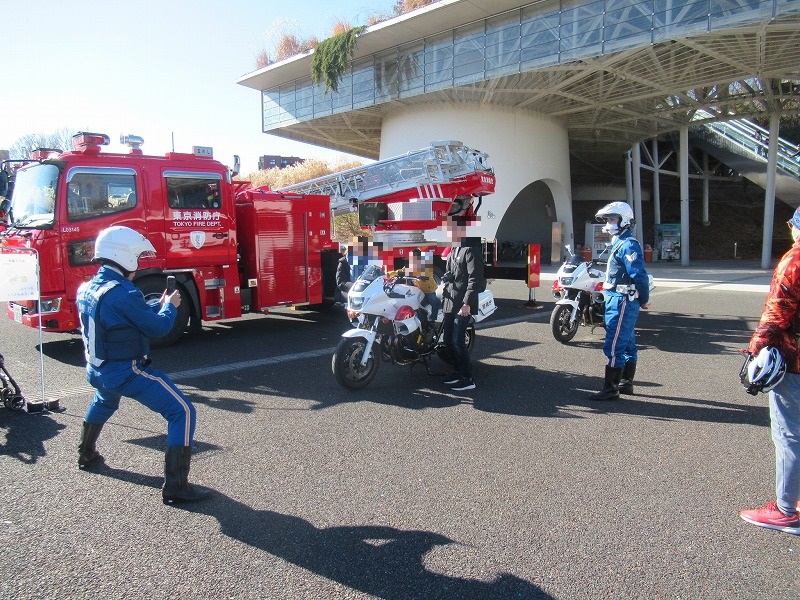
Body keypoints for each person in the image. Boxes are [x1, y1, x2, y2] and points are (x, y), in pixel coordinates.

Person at [76, 225, 210, 505]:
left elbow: (123, 318)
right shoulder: (123, 292)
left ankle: (86, 453)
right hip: (125, 371)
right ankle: (176, 486)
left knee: (104, 402)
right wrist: (170, 305)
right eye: (136, 258)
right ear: (123, 256)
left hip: (96, 370)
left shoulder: (88, 288)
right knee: (182, 411)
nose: (137, 265)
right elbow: (159, 328)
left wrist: (157, 305)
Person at [738, 208, 800, 533]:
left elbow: (777, 313)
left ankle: (786, 510)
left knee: (789, 433)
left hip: (795, 361)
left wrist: (755, 349)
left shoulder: (795, 261)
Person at [589, 202, 650, 401]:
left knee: (615, 344)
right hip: (621, 297)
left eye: (612, 219)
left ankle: (611, 388)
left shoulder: (627, 244)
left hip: (622, 299)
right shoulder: (621, 241)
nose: (608, 223)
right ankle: (625, 383)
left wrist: (644, 299)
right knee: (628, 342)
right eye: (607, 219)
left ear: (624, 220)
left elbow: (639, 275)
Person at [441, 215, 484, 391]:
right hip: (450, 302)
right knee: (448, 340)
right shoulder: (453, 251)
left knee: (458, 341)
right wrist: (446, 277)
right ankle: (458, 372)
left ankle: (467, 378)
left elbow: (475, 280)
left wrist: (467, 303)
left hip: (462, 304)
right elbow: (451, 273)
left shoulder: (470, 250)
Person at [387, 249, 441, 321]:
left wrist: (419, 276)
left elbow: (425, 274)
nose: (410, 258)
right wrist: (389, 274)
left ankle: (433, 318)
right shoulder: (411, 265)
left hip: (428, 290)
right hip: (417, 289)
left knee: (435, 302)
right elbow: (401, 271)